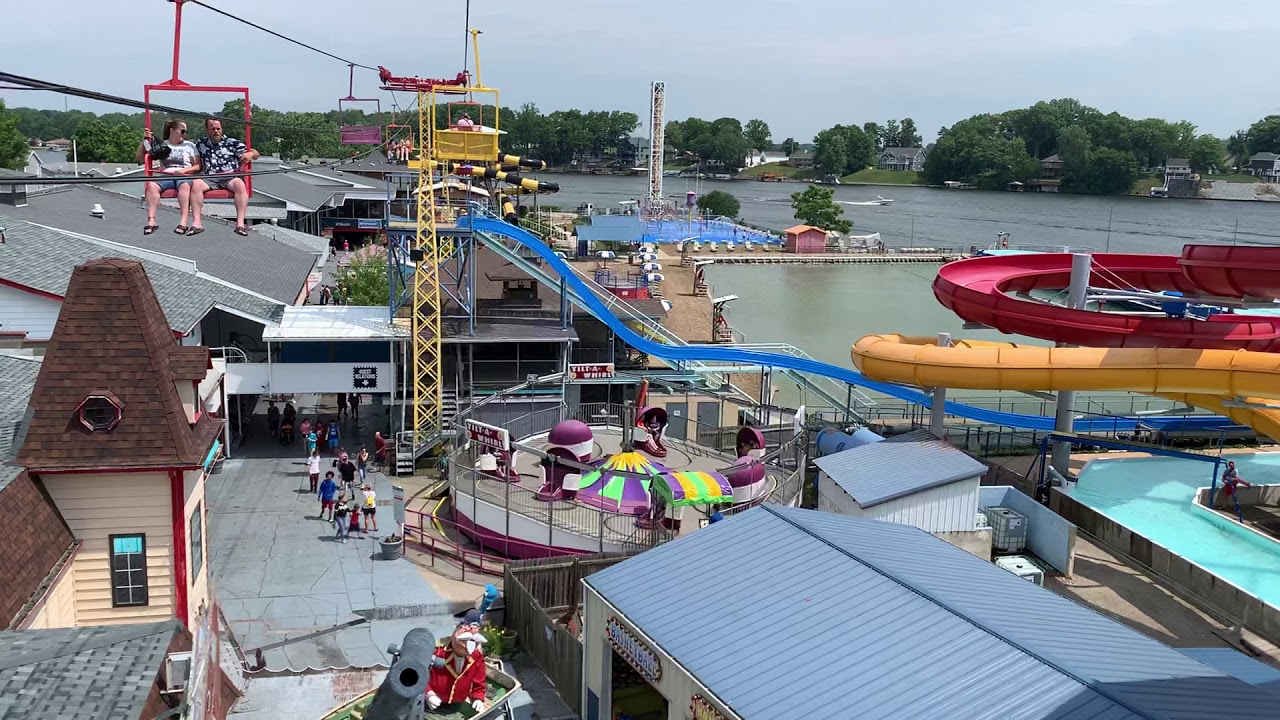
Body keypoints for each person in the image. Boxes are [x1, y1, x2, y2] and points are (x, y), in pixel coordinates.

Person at [193, 118, 259, 236]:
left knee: (239, 184)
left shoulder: (232, 143)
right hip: (210, 177)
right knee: (196, 184)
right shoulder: (200, 144)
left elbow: (256, 153)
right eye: (213, 129)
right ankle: (197, 222)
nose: (216, 131)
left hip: (229, 176)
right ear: (207, 129)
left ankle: (240, 224)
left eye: (218, 129)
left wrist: (251, 154)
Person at [137, 119, 201, 235]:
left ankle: (184, 222)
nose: (184, 134)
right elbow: (141, 157)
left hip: (183, 175)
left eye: (186, 132)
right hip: (166, 174)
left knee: (185, 186)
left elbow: (198, 166)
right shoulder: (163, 145)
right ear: (172, 130)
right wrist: (145, 140)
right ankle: (151, 220)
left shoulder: (189, 146)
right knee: (152, 185)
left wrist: (184, 170)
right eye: (182, 131)